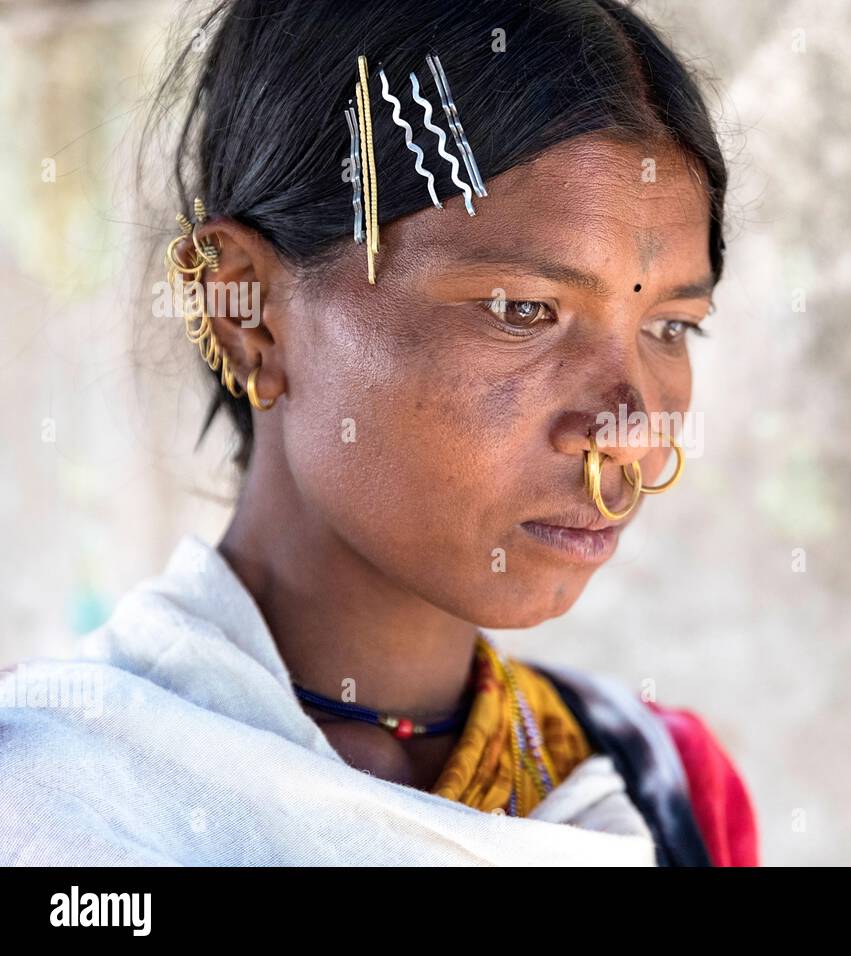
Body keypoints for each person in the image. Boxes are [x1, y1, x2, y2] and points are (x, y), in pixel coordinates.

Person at [0, 0, 757, 866]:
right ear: (250, 313)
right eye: (522, 310)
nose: (630, 435)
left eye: (671, 327)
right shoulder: (50, 798)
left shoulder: (667, 786)